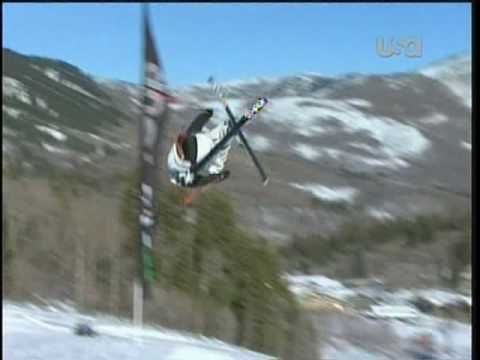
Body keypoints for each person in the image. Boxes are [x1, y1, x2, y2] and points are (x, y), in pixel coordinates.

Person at [167, 108, 233, 188]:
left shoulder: (184, 180)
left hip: (198, 151)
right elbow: (191, 130)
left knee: (215, 168)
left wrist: (217, 177)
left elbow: (201, 182)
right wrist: (205, 115)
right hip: (197, 141)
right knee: (210, 138)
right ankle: (226, 128)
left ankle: (228, 129)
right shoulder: (171, 161)